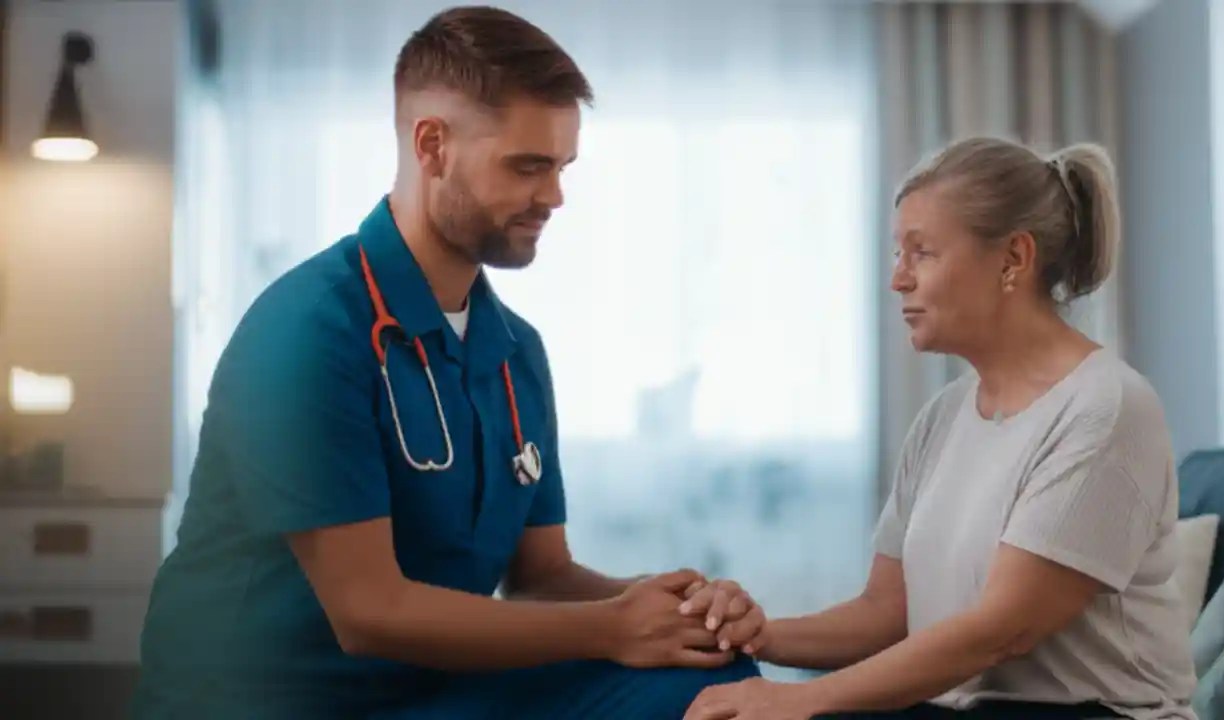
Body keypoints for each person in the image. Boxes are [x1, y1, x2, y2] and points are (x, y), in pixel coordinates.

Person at [132, 7, 763, 719]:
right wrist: (614, 626)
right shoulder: (310, 328)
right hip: (276, 703)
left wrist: (670, 606)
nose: (554, 197)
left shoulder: (514, 351)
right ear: (432, 145)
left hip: (434, 691)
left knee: (719, 677)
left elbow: (540, 575)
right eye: (528, 166)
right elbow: (368, 614)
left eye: (561, 167)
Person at [683, 138, 1198, 720]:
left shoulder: (1107, 408)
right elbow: (887, 613)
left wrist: (799, 700)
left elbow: (1001, 631)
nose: (898, 280)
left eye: (921, 253)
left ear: (1013, 259)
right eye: (898, 254)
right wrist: (759, 636)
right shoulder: (944, 416)